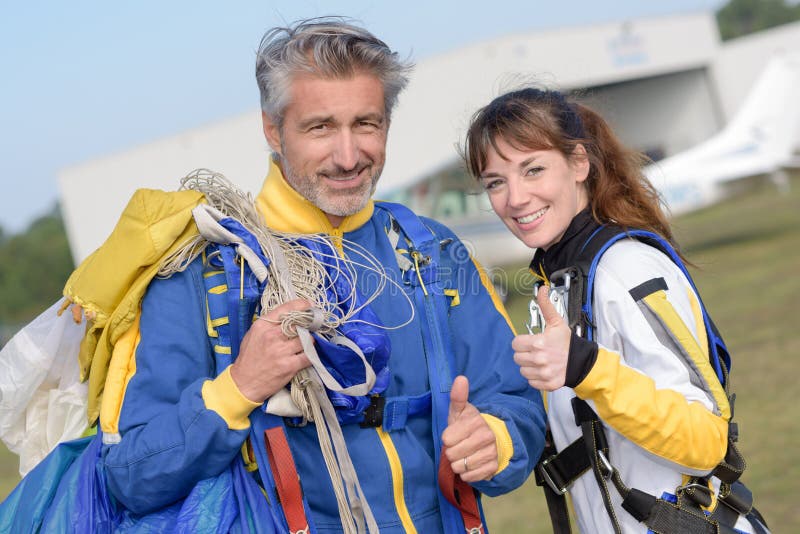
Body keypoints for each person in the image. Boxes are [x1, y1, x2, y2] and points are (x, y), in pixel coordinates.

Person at [95, 19, 546, 533]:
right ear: (272, 128)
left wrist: (497, 439)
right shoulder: (199, 274)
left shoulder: (431, 249)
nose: (349, 156)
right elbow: (129, 475)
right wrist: (239, 388)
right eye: (321, 127)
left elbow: (517, 402)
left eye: (367, 124)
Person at [463, 88, 767, 533]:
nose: (515, 198)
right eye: (495, 182)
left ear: (578, 163)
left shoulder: (624, 268)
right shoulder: (561, 281)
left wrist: (587, 368)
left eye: (533, 170)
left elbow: (706, 439)